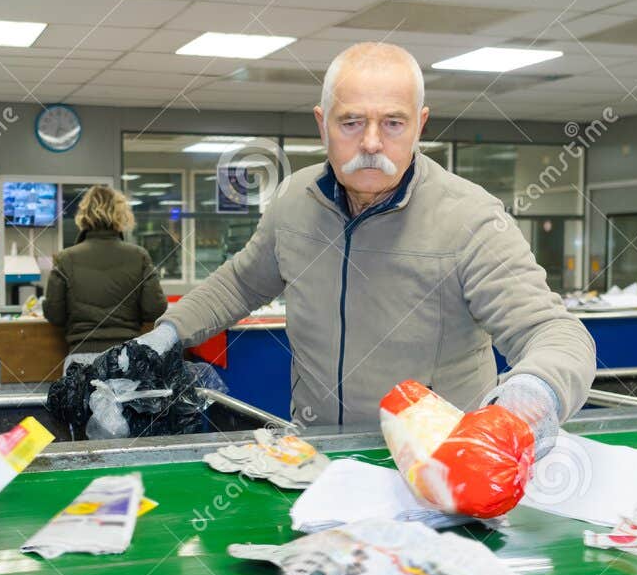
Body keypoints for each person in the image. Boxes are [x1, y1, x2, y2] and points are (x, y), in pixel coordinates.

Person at [106, 42, 595, 454]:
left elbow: (553, 332)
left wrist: (534, 394)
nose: (372, 143)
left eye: (393, 123)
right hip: (317, 456)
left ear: (421, 124)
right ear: (322, 124)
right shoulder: (294, 202)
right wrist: (165, 335)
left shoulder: (470, 219)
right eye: (351, 122)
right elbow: (238, 282)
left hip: (438, 471)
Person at [42, 184, 167, 357]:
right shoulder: (139, 256)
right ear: (121, 215)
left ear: (83, 215)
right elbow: (155, 309)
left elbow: (55, 315)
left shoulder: (65, 259)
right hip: (126, 357)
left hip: (81, 356)